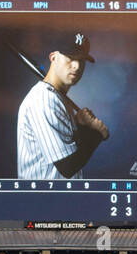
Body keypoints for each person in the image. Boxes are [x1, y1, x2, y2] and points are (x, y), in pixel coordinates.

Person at [17, 32, 109, 182]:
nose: (77, 66)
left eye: (82, 60)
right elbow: (67, 167)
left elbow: (71, 154)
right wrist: (96, 135)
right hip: (41, 200)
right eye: (71, 57)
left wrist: (81, 127)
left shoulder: (57, 98)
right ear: (54, 57)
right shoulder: (44, 99)